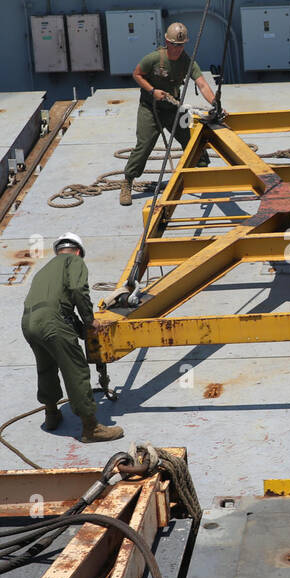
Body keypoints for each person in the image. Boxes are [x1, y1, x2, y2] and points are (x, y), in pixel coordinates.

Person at [21, 232, 123, 442]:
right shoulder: (74, 261)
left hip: (29, 322)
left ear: (58, 250)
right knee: (76, 370)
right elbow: (77, 290)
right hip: (52, 323)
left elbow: (58, 305)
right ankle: (90, 428)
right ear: (77, 251)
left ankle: (51, 414)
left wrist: (80, 331)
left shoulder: (44, 270)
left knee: (46, 366)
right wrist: (89, 320)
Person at [119, 22, 219, 206]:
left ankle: (201, 174)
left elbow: (202, 84)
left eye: (181, 45)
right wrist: (152, 91)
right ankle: (128, 182)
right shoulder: (154, 58)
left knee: (193, 139)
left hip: (173, 109)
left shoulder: (188, 62)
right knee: (145, 144)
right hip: (150, 108)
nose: (178, 48)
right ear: (167, 41)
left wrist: (215, 103)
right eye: (174, 44)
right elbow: (137, 74)